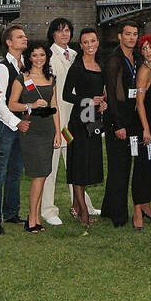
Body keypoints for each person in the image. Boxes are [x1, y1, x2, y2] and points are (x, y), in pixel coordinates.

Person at [47, 17, 100, 225]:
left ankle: (80, 204)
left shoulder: (77, 56)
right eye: (60, 31)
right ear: (53, 34)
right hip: (57, 117)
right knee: (51, 166)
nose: (64, 34)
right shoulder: (49, 57)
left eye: (68, 30)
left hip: (76, 119)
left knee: (77, 163)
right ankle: (49, 210)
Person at [9, 41, 62, 232]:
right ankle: (32, 218)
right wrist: (30, 106)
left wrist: (58, 132)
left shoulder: (51, 79)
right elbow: (11, 104)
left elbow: (54, 106)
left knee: (44, 173)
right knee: (38, 175)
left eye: (42, 55)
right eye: (34, 55)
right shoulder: (21, 78)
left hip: (48, 129)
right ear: (29, 58)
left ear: (46, 57)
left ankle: (36, 216)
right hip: (32, 130)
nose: (39, 59)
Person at [62, 27, 106, 229]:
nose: (90, 45)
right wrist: (88, 100)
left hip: (94, 120)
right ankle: (84, 213)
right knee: (78, 166)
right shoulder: (77, 67)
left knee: (89, 164)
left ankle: (77, 206)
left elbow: (103, 92)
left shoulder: (100, 65)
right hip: (79, 121)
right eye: (85, 42)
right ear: (80, 45)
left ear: (98, 42)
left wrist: (104, 102)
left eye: (93, 41)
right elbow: (66, 95)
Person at [0, 24, 28, 234]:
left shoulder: (25, 67)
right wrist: (15, 122)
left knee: (15, 171)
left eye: (24, 36)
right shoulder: (3, 68)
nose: (25, 39)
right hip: (5, 127)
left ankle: (11, 213)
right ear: (9, 42)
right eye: (19, 37)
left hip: (21, 125)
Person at [102, 21, 141, 228]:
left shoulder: (136, 58)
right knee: (119, 167)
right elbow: (113, 96)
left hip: (133, 118)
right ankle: (118, 215)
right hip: (118, 119)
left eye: (135, 34)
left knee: (127, 164)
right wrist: (118, 125)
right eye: (128, 34)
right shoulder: (114, 60)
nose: (132, 38)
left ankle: (109, 208)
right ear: (120, 36)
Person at [132, 34, 151, 229]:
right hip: (142, 126)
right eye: (144, 48)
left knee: (150, 165)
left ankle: (146, 205)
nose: (148, 51)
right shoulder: (144, 71)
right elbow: (139, 102)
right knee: (141, 167)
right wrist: (145, 128)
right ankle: (137, 211)